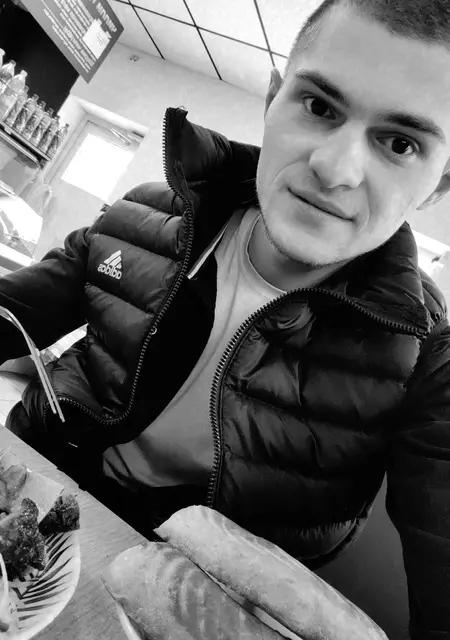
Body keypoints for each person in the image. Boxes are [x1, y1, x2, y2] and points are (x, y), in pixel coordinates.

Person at [2, 0, 450, 636]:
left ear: (440, 184)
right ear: (272, 99)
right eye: (319, 106)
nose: (334, 168)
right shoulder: (146, 217)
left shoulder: (427, 353)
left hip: (186, 606)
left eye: (400, 144)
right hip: (35, 497)